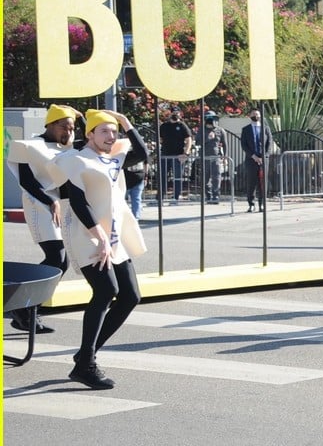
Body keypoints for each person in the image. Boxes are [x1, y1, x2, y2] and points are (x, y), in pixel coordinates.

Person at [52, 110, 148, 389]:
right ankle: (85, 365)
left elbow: (140, 153)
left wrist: (127, 122)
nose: (111, 136)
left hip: (114, 237)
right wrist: (100, 238)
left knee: (130, 296)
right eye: (104, 131)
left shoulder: (113, 157)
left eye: (114, 131)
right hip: (88, 235)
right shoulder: (76, 159)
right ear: (89, 134)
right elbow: (79, 203)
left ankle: (85, 354)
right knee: (107, 291)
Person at [6, 104, 82, 334]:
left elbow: (90, 141)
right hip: (39, 203)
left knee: (62, 262)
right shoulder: (29, 145)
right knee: (55, 257)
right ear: (49, 124)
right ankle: (23, 307)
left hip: (59, 205)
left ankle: (26, 309)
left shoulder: (66, 147)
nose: (68, 132)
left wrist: (80, 118)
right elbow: (27, 181)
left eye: (71, 128)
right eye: (63, 127)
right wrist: (50, 201)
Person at [158, 106, 193, 203]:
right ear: (170, 113)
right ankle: (161, 197)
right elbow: (160, 139)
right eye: (174, 113)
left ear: (180, 114)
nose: (175, 115)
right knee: (162, 176)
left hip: (178, 156)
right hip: (165, 155)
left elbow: (189, 139)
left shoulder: (182, 125)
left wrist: (186, 153)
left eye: (177, 113)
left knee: (177, 177)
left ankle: (177, 196)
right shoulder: (164, 126)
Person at [240, 107, 271, 212]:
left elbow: (269, 143)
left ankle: (262, 204)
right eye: (253, 114)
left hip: (263, 160)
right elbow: (244, 145)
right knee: (251, 182)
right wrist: (253, 156)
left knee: (263, 183)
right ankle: (251, 204)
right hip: (251, 160)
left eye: (257, 114)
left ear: (260, 116)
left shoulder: (265, 128)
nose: (256, 116)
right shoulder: (245, 129)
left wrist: (264, 156)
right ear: (250, 116)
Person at [199, 112, 225, 203]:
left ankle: (216, 196)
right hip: (204, 157)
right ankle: (208, 195)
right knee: (205, 177)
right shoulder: (201, 130)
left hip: (216, 157)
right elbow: (198, 141)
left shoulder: (220, 130)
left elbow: (225, 144)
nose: (210, 120)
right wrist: (207, 138)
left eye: (212, 118)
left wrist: (225, 156)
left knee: (216, 177)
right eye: (208, 118)